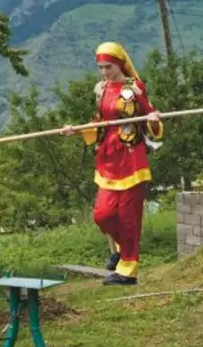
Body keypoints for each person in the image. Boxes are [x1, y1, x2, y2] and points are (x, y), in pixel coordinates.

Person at [61, 42, 163, 286]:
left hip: (131, 157)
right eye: (101, 67)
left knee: (129, 217)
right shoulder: (102, 89)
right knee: (103, 215)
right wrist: (77, 130)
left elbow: (151, 117)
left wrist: (153, 119)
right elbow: (100, 121)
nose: (105, 71)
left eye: (108, 66)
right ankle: (120, 246)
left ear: (119, 64)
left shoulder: (134, 88)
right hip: (108, 158)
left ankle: (128, 269)